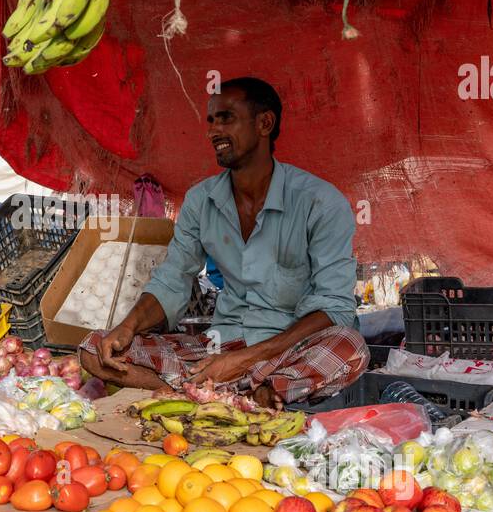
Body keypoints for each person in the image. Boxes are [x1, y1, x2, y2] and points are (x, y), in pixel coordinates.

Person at [79, 77, 368, 404]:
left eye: (226, 118)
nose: (213, 131)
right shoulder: (201, 201)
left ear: (265, 123)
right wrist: (128, 326)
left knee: (350, 346)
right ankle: (218, 394)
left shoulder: (320, 202)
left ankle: (251, 390)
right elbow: (173, 279)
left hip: (287, 350)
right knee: (93, 349)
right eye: (211, 121)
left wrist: (244, 361)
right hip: (216, 348)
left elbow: (335, 308)